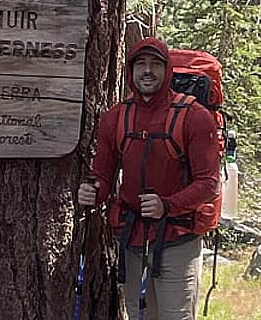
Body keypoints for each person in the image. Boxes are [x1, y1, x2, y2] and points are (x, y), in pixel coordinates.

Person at [77, 37, 222, 320]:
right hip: (132, 240)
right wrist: (93, 191)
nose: (147, 71)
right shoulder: (116, 117)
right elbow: (102, 175)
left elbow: (209, 184)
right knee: (139, 315)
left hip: (178, 238)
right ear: (130, 71)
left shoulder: (194, 117)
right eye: (140, 64)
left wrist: (167, 205)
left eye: (155, 64)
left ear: (167, 70)